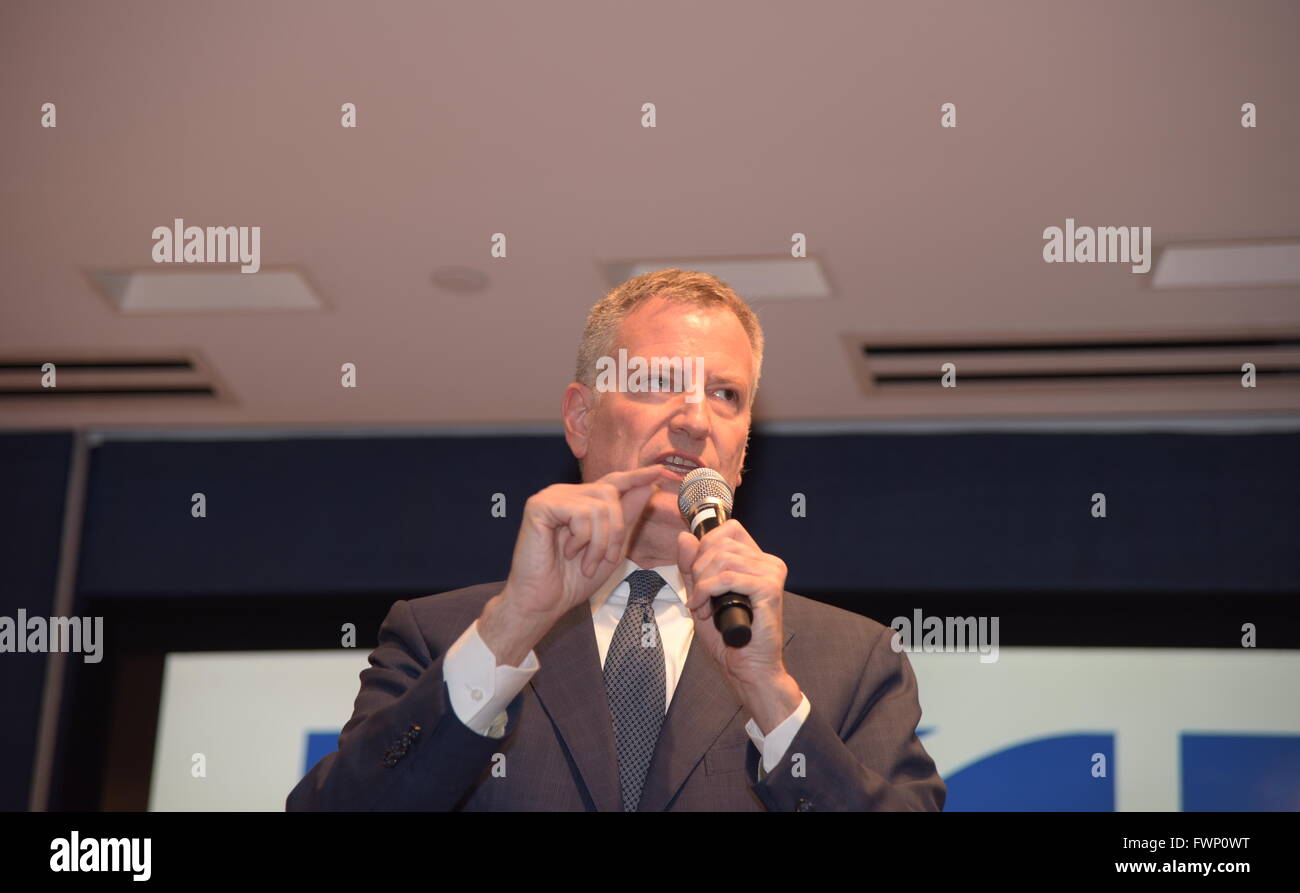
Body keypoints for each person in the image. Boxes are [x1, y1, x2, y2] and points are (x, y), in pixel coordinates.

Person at [286, 269, 945, 811]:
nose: (694, 419)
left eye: (725, 394)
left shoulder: (854, 661)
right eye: (660, 382)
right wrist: (512, 629)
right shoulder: (442, 637)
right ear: (580, 417)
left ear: (742, 453)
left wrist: (771, 694)